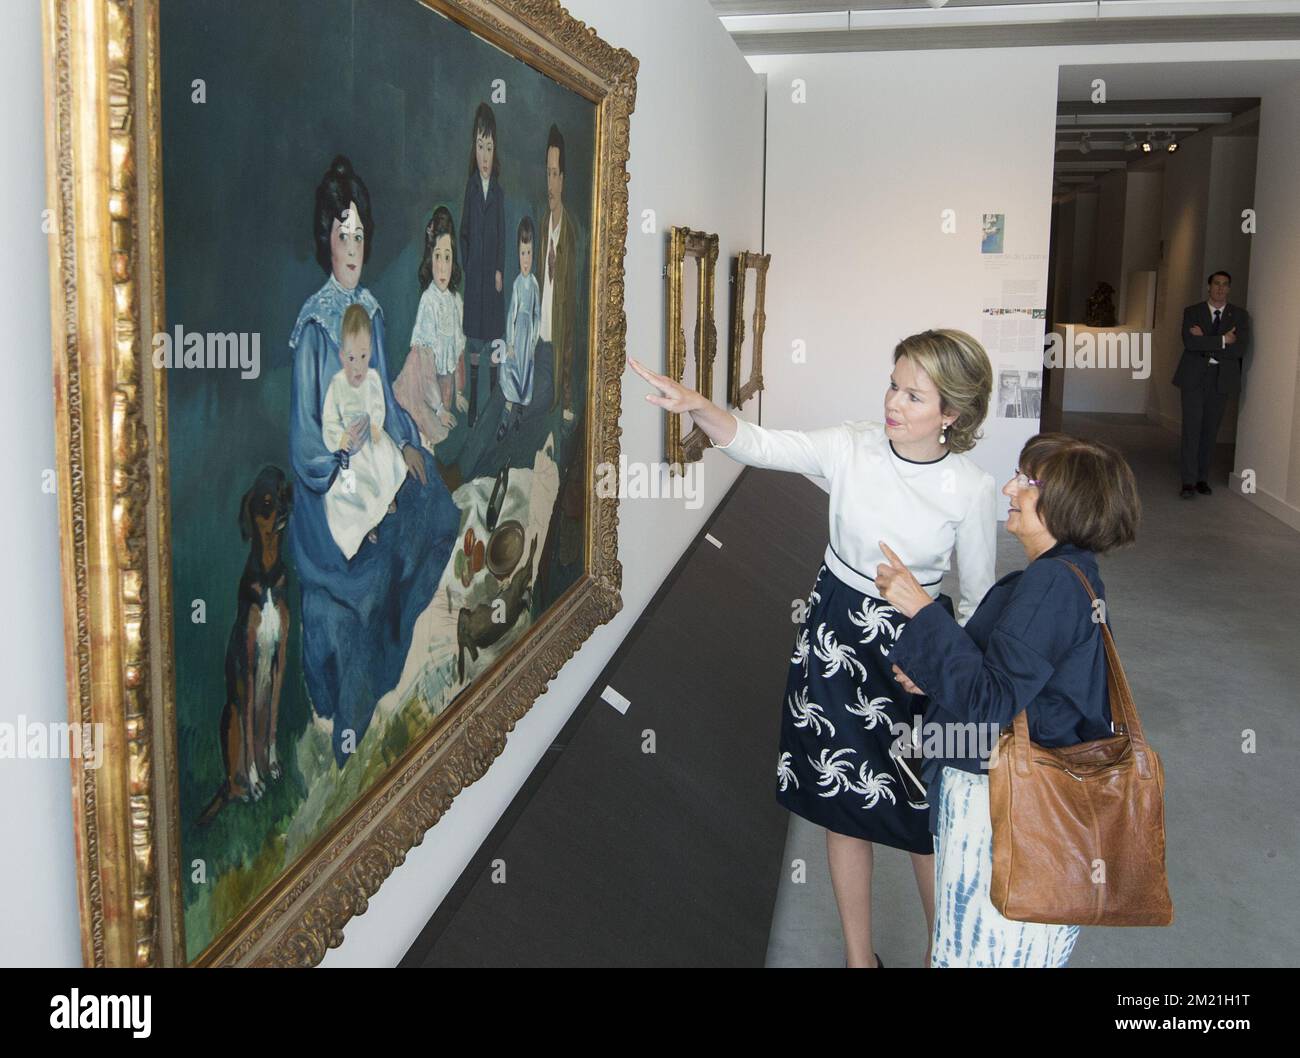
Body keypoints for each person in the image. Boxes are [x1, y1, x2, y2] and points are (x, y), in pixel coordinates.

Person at [628, 329, 998, 968]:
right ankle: (862, 961)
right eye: (893, 384)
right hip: (834, 636)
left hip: (916, 651)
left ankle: (950, 957)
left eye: (914, 396)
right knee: (842, 803)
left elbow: (980, 603)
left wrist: (945, 665)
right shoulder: (854, 446)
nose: (894, 403)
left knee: (922, 815)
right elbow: (762, 444)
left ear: (951, 415)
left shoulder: (970, 488)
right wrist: (696, 404)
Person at [877, 432, 1140, 967]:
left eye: (1027, 480)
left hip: (1002, 805)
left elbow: (991, 703)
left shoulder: (1049, 585)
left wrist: (920, 609)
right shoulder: (1070, 576)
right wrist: (934, 677)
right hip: (1025, 799)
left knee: (981, 953)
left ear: (1066, 501)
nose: (1008, 488)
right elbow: (1028, 684)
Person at [288, 155, 461, 768]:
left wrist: (409, 441)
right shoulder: (313, 326)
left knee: (436, 511)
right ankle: (349, 719)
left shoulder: (372, 313)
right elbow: (306, 436)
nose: (354, 246)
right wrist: (337, 458)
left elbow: (385, 394)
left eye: (361, 234)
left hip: (378, 454)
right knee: (364, 578)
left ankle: (402, 654)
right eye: (344, 234)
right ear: (326, 242)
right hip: (332, 485)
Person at [321, 303, 408, 558]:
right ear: (341, 356)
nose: (357, 366)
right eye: (351, 358)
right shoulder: (337, 386)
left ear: (369, 353)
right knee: (350, 493)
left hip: (370, 439)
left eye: (363, 357)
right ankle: (366, 523)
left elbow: (378, 404)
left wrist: (375, 424)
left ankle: (382, 505)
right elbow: (329, 420)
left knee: (385, 468)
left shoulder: (371, 378)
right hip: (350, 453)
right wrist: (341, 437)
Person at [1172, 271, 1251, 499]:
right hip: (1193, 378)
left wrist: (1204, 339)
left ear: (1229, 289)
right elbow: (1189, 342)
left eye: (1225, 285)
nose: (1220, 288)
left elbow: (1239, 349)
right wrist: (1222, 340)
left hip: (1221, 379)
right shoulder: (1192, 311)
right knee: (1191, 429)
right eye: (1216, 284)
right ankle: (1187, 481)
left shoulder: (1239, 316)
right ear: (1209, 287)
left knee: (1210, 430)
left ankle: (1201, 479)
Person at [394, 206, 467, 449]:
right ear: (430, 258)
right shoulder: (428, 301)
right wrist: (437, 408)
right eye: (438, 256)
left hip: (443, 385)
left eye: (448, 257)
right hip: (421, 385)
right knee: (423, 437)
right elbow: (425, 368)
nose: (443, 266)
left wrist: (457, 392)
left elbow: (457, 353)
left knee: (439, 438)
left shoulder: (456, 302)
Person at [460, 102, 505, 430]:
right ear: (473, 149)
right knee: (474, 336)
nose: (485, 156)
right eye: (480, 147)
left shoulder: (499, 193)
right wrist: (469, 261)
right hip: (475, 275)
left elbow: (502, 233)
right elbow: (464, 232)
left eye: (489, 148)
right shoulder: (471, 189)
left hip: (492, 276)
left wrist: (499, 268)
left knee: (492, 333)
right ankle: (474, 399)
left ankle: (491, 398)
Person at [538, 124, 577, 424]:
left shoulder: (571, 235)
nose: (550, 183)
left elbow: (571, 318)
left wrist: (566, 397)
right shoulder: (541, 227)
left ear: (562, 180)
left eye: (555, 174)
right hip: (538, 343)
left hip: (556, 348)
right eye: (547, 173)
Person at [498, 215, 541, 441]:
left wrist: (533, 341)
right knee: (512, 375)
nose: (526, 259)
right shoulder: (517, 283)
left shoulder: (533, 284)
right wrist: (511, 343)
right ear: (518, 254)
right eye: (523, 253)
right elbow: (511, 314)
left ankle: (519, 416)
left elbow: (537, 314)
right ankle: (505, 419)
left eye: (530, 253)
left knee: (525, 378)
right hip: (517, 338)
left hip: (528, 340)